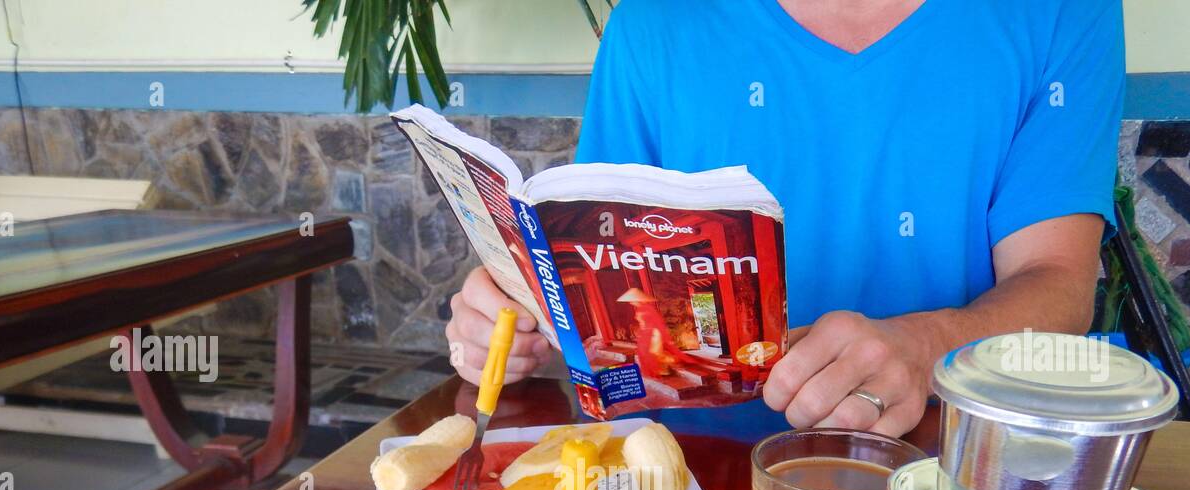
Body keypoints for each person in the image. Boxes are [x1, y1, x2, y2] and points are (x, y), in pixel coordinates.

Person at [445, 0, 1124, 439]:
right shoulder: (652, 23)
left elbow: (1059, 280)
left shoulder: (1063, 12)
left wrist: (925, 349)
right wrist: (520, 318)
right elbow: (604, 272)